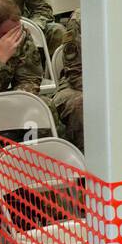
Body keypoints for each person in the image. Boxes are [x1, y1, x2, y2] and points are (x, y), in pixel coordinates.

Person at [51, 13, 83, 150]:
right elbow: (75, 71)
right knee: (82, 104)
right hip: (78, 84)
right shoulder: (80, 19)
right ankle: (88, 159)